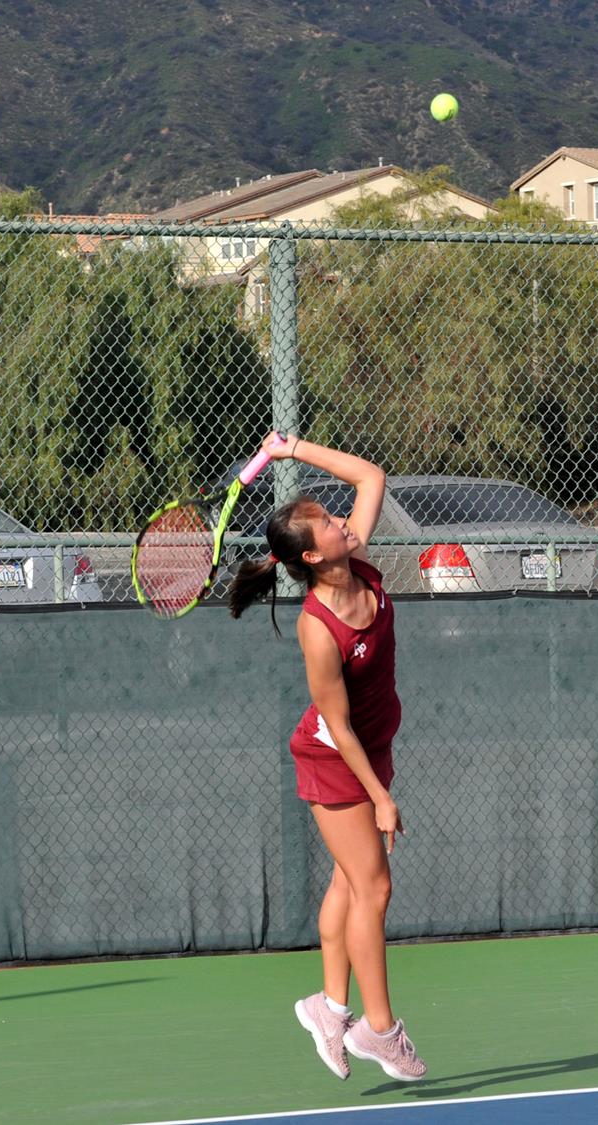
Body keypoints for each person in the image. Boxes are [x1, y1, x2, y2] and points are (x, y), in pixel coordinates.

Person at [228, 432, 427, 1083]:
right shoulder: (317, 627)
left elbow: (372, 473)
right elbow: (338, 728)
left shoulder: (359, 562)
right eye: (329, 523)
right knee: (373, 885)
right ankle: (380, 1029)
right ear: (313, 554)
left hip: (372, 745)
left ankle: (328, 1005)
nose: (345, 521)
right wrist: (382, 796)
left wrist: (291, 450)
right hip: (337, 761)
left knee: (350, 880)